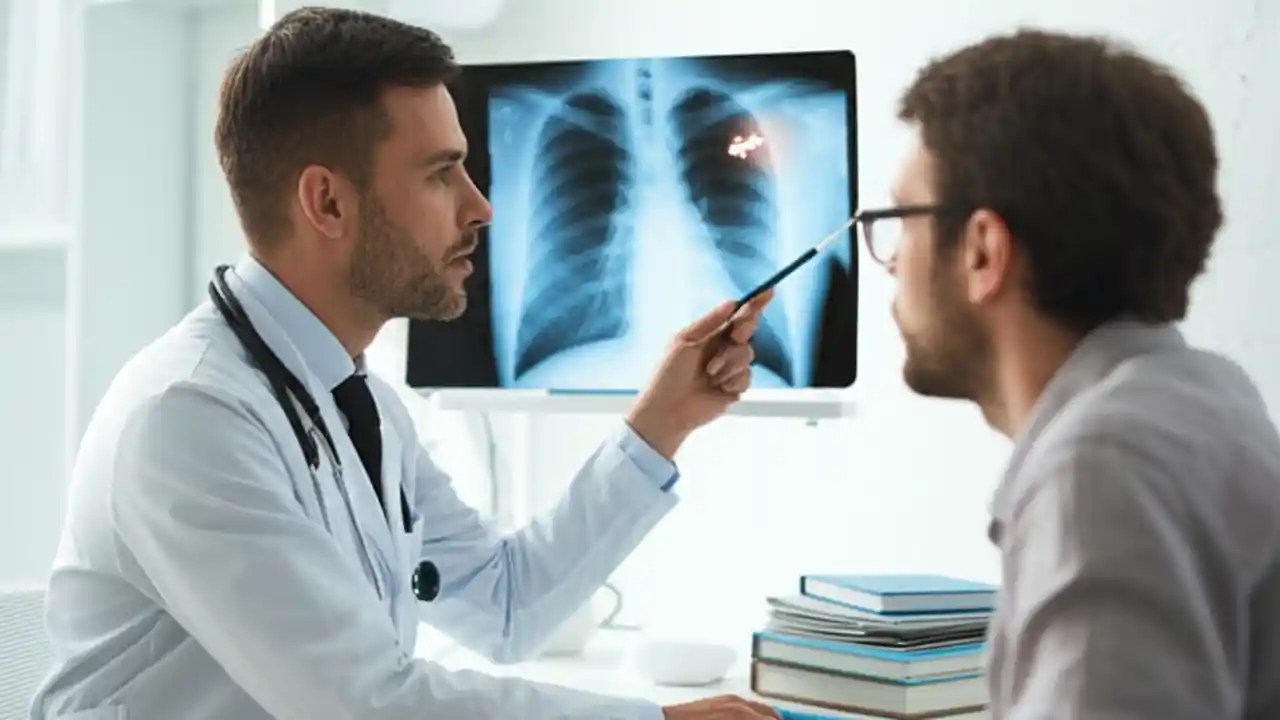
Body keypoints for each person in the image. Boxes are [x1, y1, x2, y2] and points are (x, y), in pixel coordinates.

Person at [29, 8, 780, 720]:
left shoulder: (360, 405)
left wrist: (663, 422)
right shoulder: (189, 417)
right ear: (326, 203)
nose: (480, 207)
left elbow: (505, 605)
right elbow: (363, 704)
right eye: (441, 173)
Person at [873, 28, 1280, 719]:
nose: (889, 261)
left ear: (982, 250)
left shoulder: (1098, 467)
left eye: (899, 220)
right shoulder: (1210, 401)